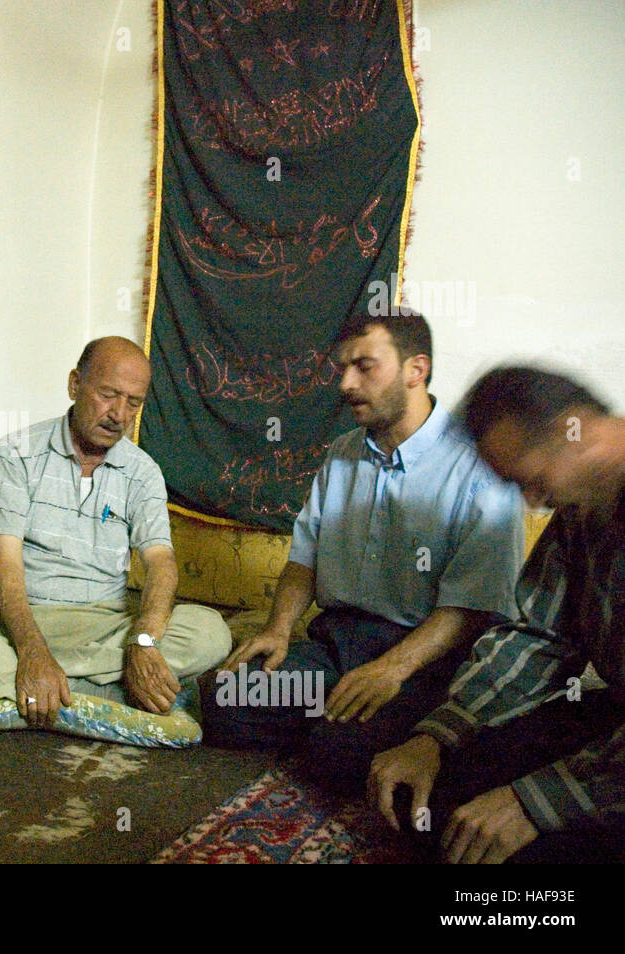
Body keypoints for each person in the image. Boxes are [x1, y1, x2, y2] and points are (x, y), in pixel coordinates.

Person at [202, 310, 525, 791]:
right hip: (337, 646)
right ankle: (331, 716)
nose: (347, 383)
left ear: (416, 369)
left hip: (423, 659)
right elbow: (303, 559)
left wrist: (392, 669)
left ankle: (349, 726)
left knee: (336, 755)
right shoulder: (342, 453)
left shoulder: (478, 464)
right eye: (343, 368)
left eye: (365, 366)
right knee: (221, 698)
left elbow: (472, 607)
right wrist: (277, 630)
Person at [0, 337, 231, 733]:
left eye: (133, 403)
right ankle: (102, 698)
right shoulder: (16, 454)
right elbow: (5, 563)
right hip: (11, 623)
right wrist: (32, 651)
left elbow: (161, 562)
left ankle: (24, 697)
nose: (119, 414)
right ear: (74, 384)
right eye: (108, 395)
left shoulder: (143, 471)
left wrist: (142, 644)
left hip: (102, 628)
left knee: (210, 633)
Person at [369, 365, 625, 863]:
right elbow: (538, 637)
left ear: (576, 429)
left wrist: (539, 800)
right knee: (433, 805)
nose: (532, 504)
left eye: (530, 480)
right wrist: (437, 735)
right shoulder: (582, 501)